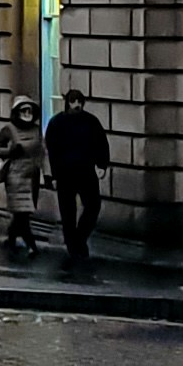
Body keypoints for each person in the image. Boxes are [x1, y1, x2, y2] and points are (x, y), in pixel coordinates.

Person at [44, 88, 111, 268]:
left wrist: (102, 164)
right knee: (68, 212)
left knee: (93, 206)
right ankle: (74, 246)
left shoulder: (90, 122)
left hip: (85, 171)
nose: (77, 105)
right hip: (65, 173)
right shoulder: (56, 123)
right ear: (67, 102)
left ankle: (78, 239)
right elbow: (51, 151)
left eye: (79, 101)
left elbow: (101, 143)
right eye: (73, 101)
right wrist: (53, 175)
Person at [0, 96, 46, 258]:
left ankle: (11, 239)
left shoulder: (36, 130)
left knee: (23, 213)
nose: (27, 113)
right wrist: (10, 152)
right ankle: (32, 245)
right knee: (22, 213)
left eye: (30, 110)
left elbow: (43, 152)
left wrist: (48, 174)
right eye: (23, 110)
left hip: (32, 177)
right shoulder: (9, 129)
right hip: (15, 176)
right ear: (17, 112)